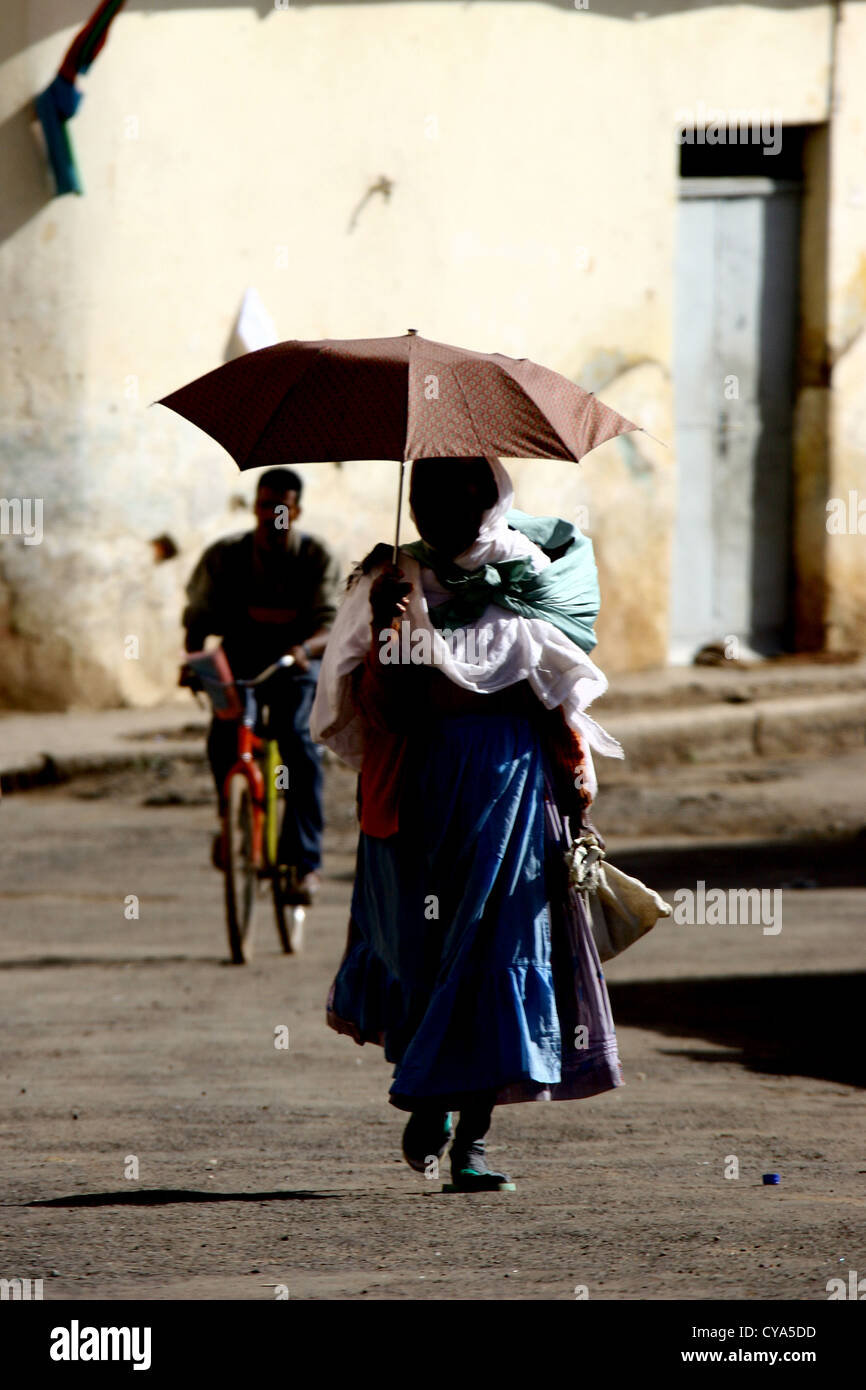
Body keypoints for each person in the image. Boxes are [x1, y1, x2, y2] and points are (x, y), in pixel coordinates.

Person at [310, 455, 624, 1191]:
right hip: (415, 788)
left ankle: (470, 1139)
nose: (437, 511)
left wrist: (576, 773)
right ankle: (431, 1095)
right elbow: (348, 707)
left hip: (509, 787)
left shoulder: (529, 572)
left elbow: (557, 685)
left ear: (489, 501)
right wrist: (391, 629)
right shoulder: (387, 579)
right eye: (426, 496)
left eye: (458, 496)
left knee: (498, 950)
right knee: (423, 951)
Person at [182, 467, 339, 900]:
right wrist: (193, 660)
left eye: (282, 508)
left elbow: (331, 622)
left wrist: (306, 650)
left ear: (297, 511)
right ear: (254, 507)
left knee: (298, 741)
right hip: (240, 660)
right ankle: (229, 823)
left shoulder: (316, 557)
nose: (273, 515)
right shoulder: (225, 556)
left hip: (296, 660)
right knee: (223, 736)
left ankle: (305, 863)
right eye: (265, 505)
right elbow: (198, 618)